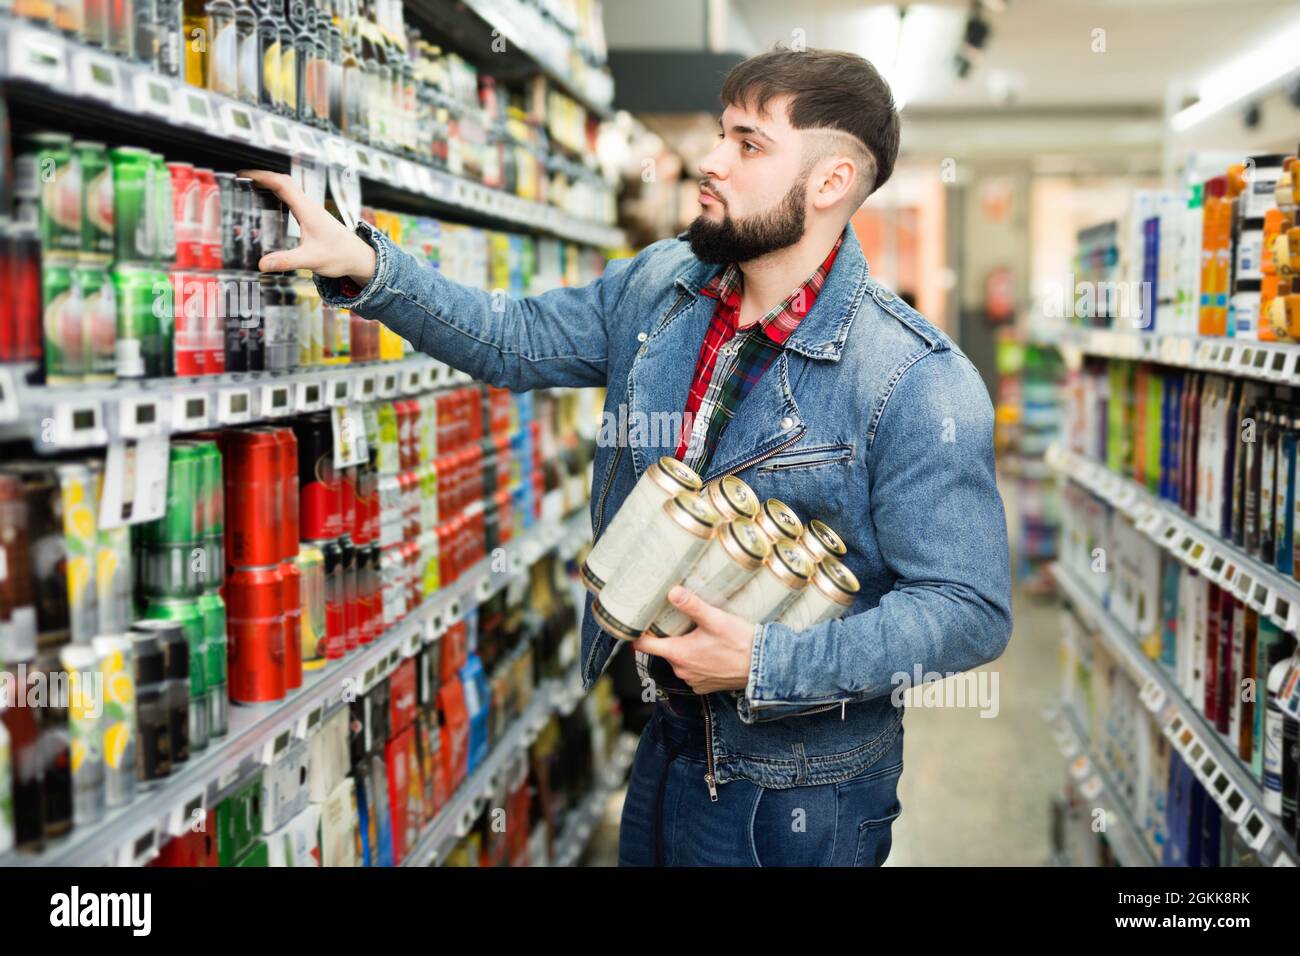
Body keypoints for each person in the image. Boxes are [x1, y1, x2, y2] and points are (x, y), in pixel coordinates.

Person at [241, 44, 1012, 868]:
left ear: (829, 184)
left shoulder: (916, 380)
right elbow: (514, 338)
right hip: (668, 739)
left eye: (749, 145)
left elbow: (968, 608)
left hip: (798, 789)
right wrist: (369, 266)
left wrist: (766, 662)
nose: (709, 162)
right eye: (722, 133)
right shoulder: (665, 285)